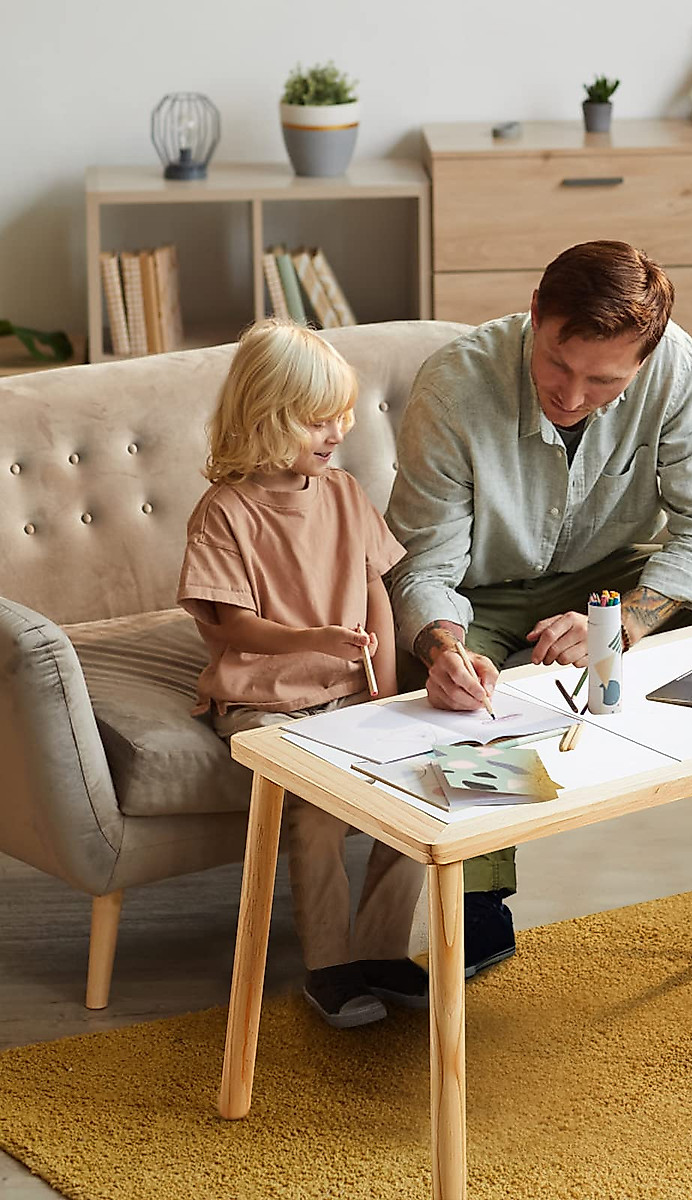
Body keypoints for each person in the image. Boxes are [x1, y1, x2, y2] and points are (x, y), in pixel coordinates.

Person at [386, 240, 692, 979]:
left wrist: (624, 623)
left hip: (611, 579)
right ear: (536, 314)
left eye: (604, 381)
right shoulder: (454, 385)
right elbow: (427, 566)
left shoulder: (673, 365)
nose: (571, 394)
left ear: (644, 360)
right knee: (457, 681)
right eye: (558, 364)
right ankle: (480, 898)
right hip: (482, 591)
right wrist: (444, 649)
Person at [178, 318, 426, 1028]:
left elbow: (377, 591)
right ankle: (330, 969)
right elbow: (232, 626)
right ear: (266, 418)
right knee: (317, 812)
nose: (338, 432)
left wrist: (384, 693)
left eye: (341, 416)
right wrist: (312, 639)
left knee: (419, 787)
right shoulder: (225, 513)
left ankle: (382, 951)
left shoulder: (343, 492)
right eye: (318, 421)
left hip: (348, 695)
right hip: (264, 701)